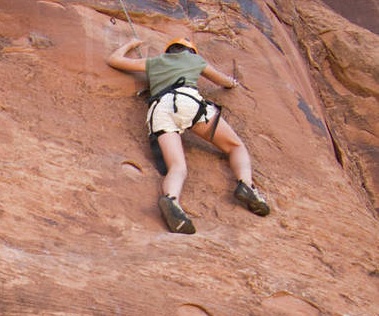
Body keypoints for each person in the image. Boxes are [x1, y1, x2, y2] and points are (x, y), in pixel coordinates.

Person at [107, 32, 270, 234]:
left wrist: (131, 44)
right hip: (187, 101)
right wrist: (232, 83)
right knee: (235, 146)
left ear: (169, 50)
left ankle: (172, 201)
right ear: (191, 51)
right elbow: (224, 81)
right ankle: (246, 186)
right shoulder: (195, 59)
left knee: (177, 166)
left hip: (159, 109)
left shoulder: (156, 62)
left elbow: (114, 60)